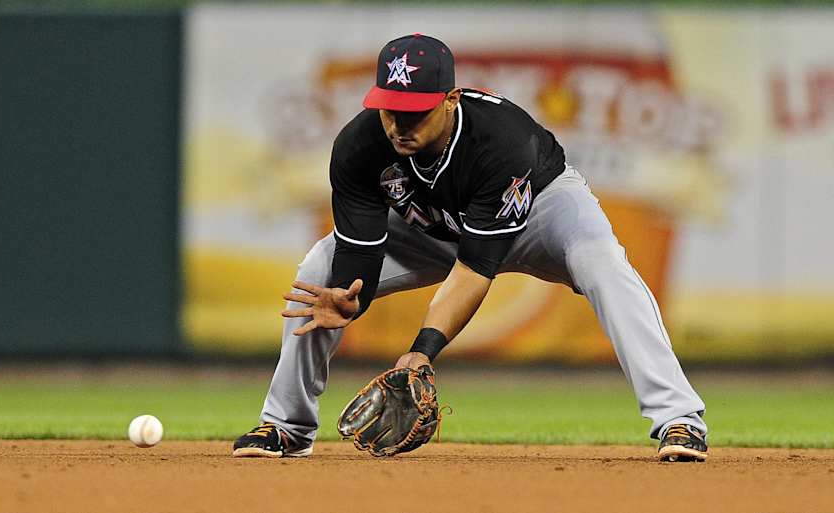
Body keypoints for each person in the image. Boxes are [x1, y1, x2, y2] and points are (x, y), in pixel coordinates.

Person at [232, 34, 708, 462]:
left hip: (542, 212)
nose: (400, 123)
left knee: (603, 263)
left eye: (415, 110)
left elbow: (474, 270)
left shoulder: (502, 140)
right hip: (433, 228)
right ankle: (287, 426)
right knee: (320, 265)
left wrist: (422, 352)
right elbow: (360, 253)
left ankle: (678, 417)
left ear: (451, 99)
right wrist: (348, 295)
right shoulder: (358, 148)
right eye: (390, 108)